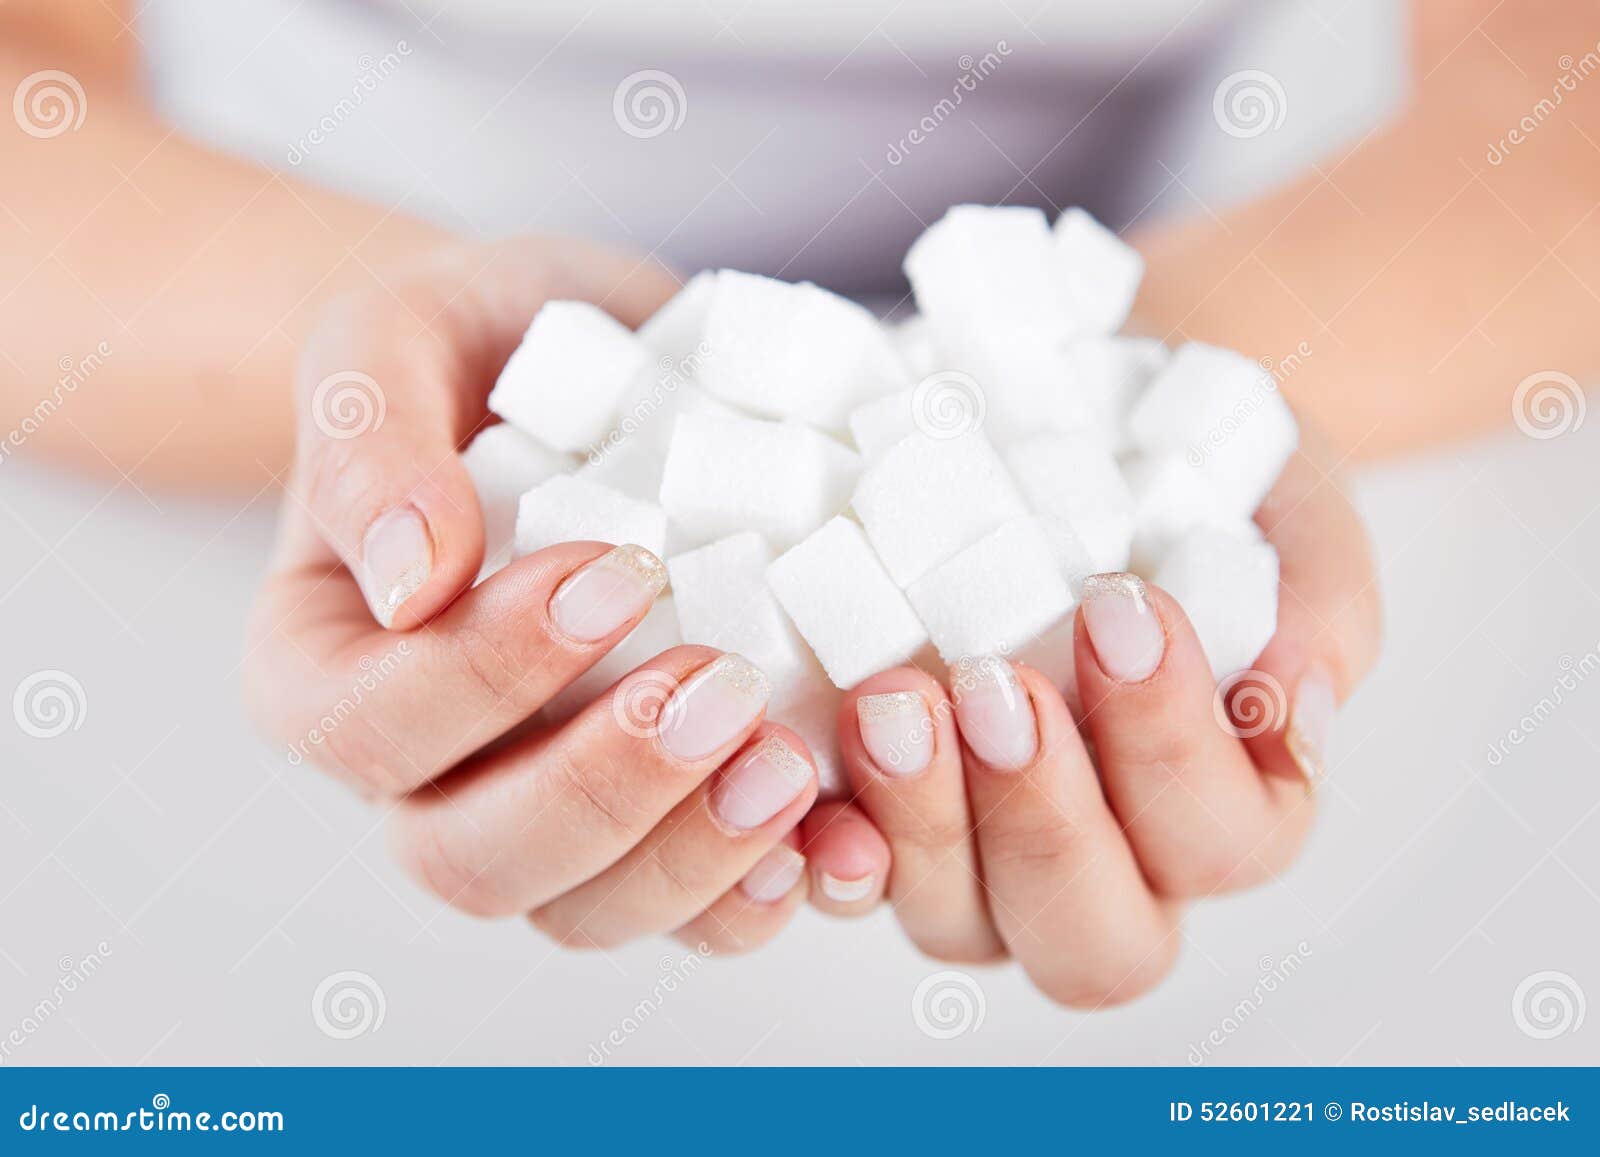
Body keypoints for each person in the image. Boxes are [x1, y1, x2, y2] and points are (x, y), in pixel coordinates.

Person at [12, 0, 1572, 1007]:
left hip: (1267, 276)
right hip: (201, 351)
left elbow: (1549, 72)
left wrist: (1178, 372)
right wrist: (366, 380)